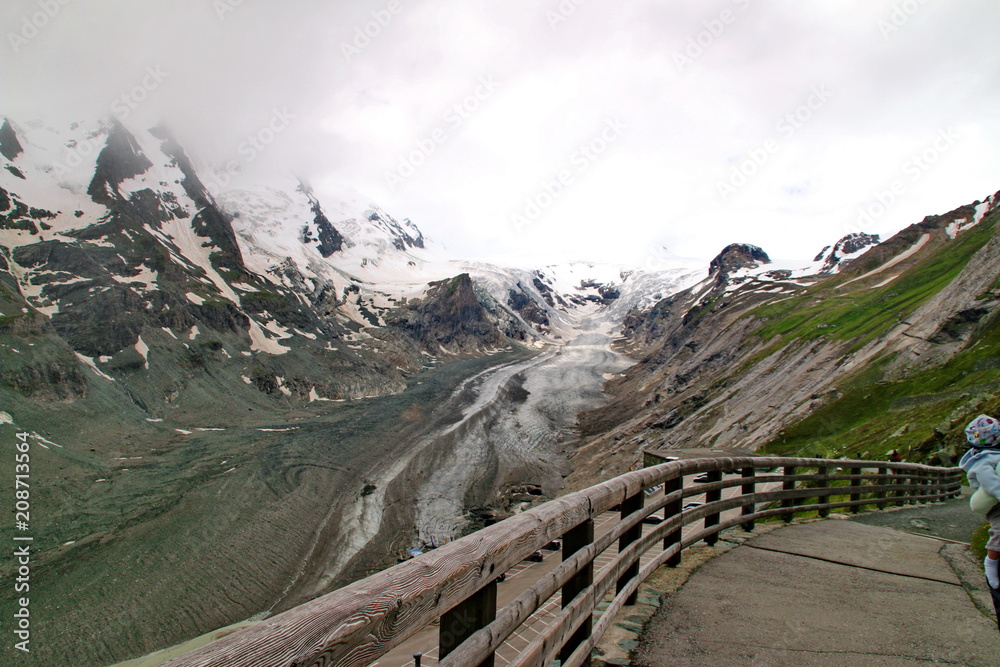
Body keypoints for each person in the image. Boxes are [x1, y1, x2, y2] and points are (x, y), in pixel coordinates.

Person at [959, 414, 1000, 629]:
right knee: (999, 530)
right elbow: (990, 484)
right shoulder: (984, 460)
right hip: (995, 504)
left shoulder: (990, 455)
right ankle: (991, 562)